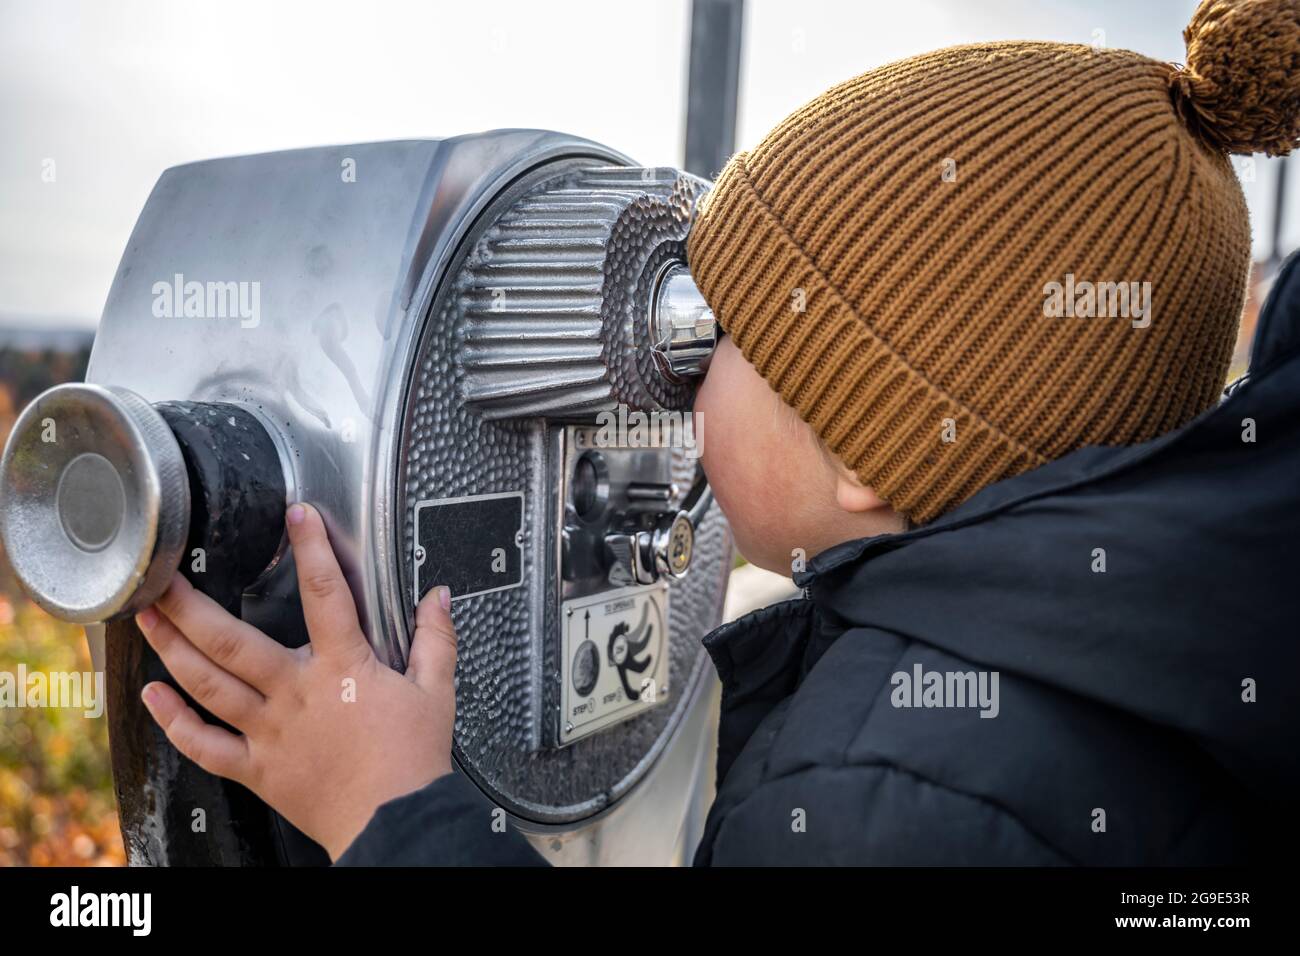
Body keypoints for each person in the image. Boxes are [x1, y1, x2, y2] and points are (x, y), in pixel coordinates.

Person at [132, 0, 1300, 865]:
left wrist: (393, 811)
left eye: (718, 338)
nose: (677, 393)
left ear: (858, 449)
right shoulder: (1094, 675)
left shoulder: (880, 789)